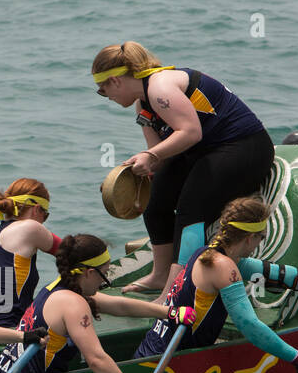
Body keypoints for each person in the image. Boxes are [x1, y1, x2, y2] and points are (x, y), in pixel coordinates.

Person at [92, 42, 274, 294]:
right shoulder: (142, 103)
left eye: (103, 90)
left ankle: (173, 291)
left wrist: (149, 154)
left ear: (115, 80)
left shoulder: (160, 89)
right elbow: (160, 156)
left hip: (243, 147)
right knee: (154, 202)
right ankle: (159, 274)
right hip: (202, 151)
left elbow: (190, 132)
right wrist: (125, 178)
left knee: (190, 209)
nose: (107, 97)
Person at [133, 198, 298, 373]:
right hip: (166, 370)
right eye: (261, 238)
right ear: (250, 238)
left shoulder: (208, 253)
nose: (260, 243)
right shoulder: (224, 267)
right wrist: (297, 359)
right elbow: (249, 326)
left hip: (148, 356)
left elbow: (275, 273)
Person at [0, 235, 191, 373]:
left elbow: (120, 306)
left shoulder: (58, 288)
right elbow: (96, 359)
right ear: (90, 272)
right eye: (106, 273)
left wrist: (169, 312)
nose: (105, 281)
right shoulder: (74, 304)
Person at [0, 179, 61, 327]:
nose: (43, 222)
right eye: (45, 215)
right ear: (36, 209)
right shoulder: (30, 228)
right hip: (14, 329)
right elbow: (76, 253)